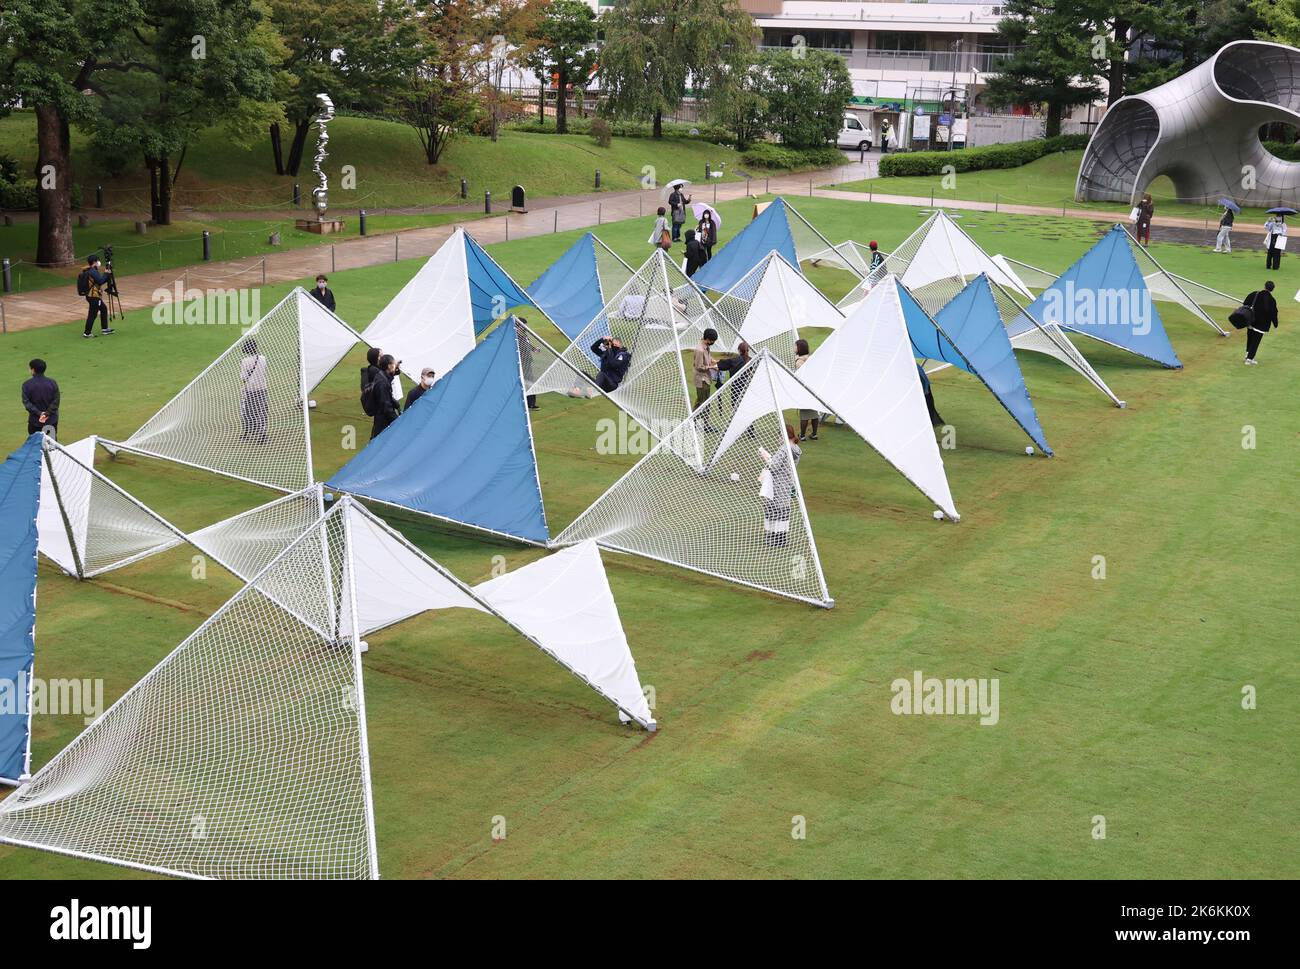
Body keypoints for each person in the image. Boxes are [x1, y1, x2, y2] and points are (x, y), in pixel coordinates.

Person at [759, 424, 802, 548]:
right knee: (783, 511)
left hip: (778, 484)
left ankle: (774, 538)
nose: (778, 438)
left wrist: (765, 457)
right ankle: (781, 538)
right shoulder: (795, 449)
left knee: (773, 510)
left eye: (779, 435)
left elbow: (774, 466)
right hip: (787, 483)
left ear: (783, 435)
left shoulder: (784, 449)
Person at [1241, 280, 1278, 365]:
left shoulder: (1255, 294)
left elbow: (1245, 303)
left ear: (1264, 286)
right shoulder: (1272, 300)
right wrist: (1275, 324)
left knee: (1250, 338)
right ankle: (1249, 359)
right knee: (1255, 341)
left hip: (1251, 320)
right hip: (1262, 324)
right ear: (1272, 289)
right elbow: (1274, 313)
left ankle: (1248, 354)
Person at [239, 339, 269, 444]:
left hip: (249, 390)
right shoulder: (263, 358)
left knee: (247, 411)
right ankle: (262, 434)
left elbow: (243, 377)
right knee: (261, 411)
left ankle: (248, 432)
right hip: (262, 388)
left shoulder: (244, 361)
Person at [78, 255, 115, 339]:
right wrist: (106, 273)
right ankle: (87, 333)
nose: (99, 262)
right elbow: (101, 281)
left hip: (92, 296)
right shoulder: (93, 271)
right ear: (94, 262)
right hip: (94, 296)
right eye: (97, 261)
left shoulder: (91, 270)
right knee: (92, 314)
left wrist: (107, 274)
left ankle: (105, 329)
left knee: (103, 309)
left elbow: (99, 281)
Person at [22, 359, 59, 438]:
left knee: (35, 445)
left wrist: (40, 414)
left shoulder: (27, 385)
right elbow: (56, 402)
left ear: (33, 370)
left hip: (35, 421)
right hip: (51, 420)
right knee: (51, 445)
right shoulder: (52, 383)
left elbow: (27, 403)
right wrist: (46, 414)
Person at [367, 354, 400, 438]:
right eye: (393, 364)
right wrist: (397, 420)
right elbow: (386, 406)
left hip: (381, 416)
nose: (394, 365)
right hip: (382, 419)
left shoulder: (382, 376)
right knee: (378, 441)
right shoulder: (382, 383)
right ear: (389, 366)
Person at [794, 338, 819, 441]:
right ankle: (814, 434)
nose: (794, 347)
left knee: (804, 414)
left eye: (795, 346)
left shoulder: (799, 361)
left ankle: (803, 435)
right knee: (814, 412)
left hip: (805, 390)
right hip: (814, 388)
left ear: (799, 348)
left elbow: (802, 377)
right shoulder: (811, 358)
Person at [693, 328, 718, 429]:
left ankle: (704, 424)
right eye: (712, 341)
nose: (713, 343)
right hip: (701, 380)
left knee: (705, 401)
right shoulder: (700, 350)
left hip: (706, 379)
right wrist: (712, 367)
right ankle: (695, 422)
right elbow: (699, 366)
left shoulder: (706, 346)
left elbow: (708, 357)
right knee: (702, 402)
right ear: (707, 339)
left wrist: (713, 361)